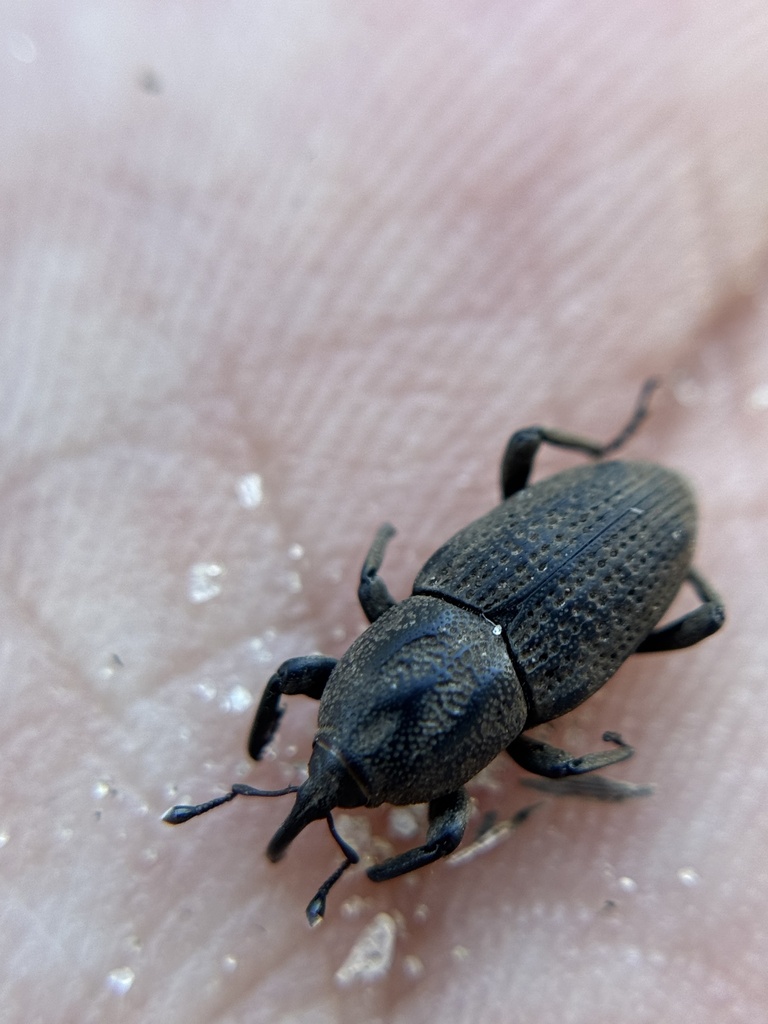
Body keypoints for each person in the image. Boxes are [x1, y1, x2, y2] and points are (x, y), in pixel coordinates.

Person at [4, 4, 764, 1021]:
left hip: (608, 545)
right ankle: (652, 505)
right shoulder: (422, 659)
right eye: (345, 781)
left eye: (330, 766)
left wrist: (376, 862)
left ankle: (643, 487)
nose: (321, 789)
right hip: (558, 584)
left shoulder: (449, 678)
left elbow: (409, 789)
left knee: (675, 592)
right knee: (554, 474)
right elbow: (369, 746)